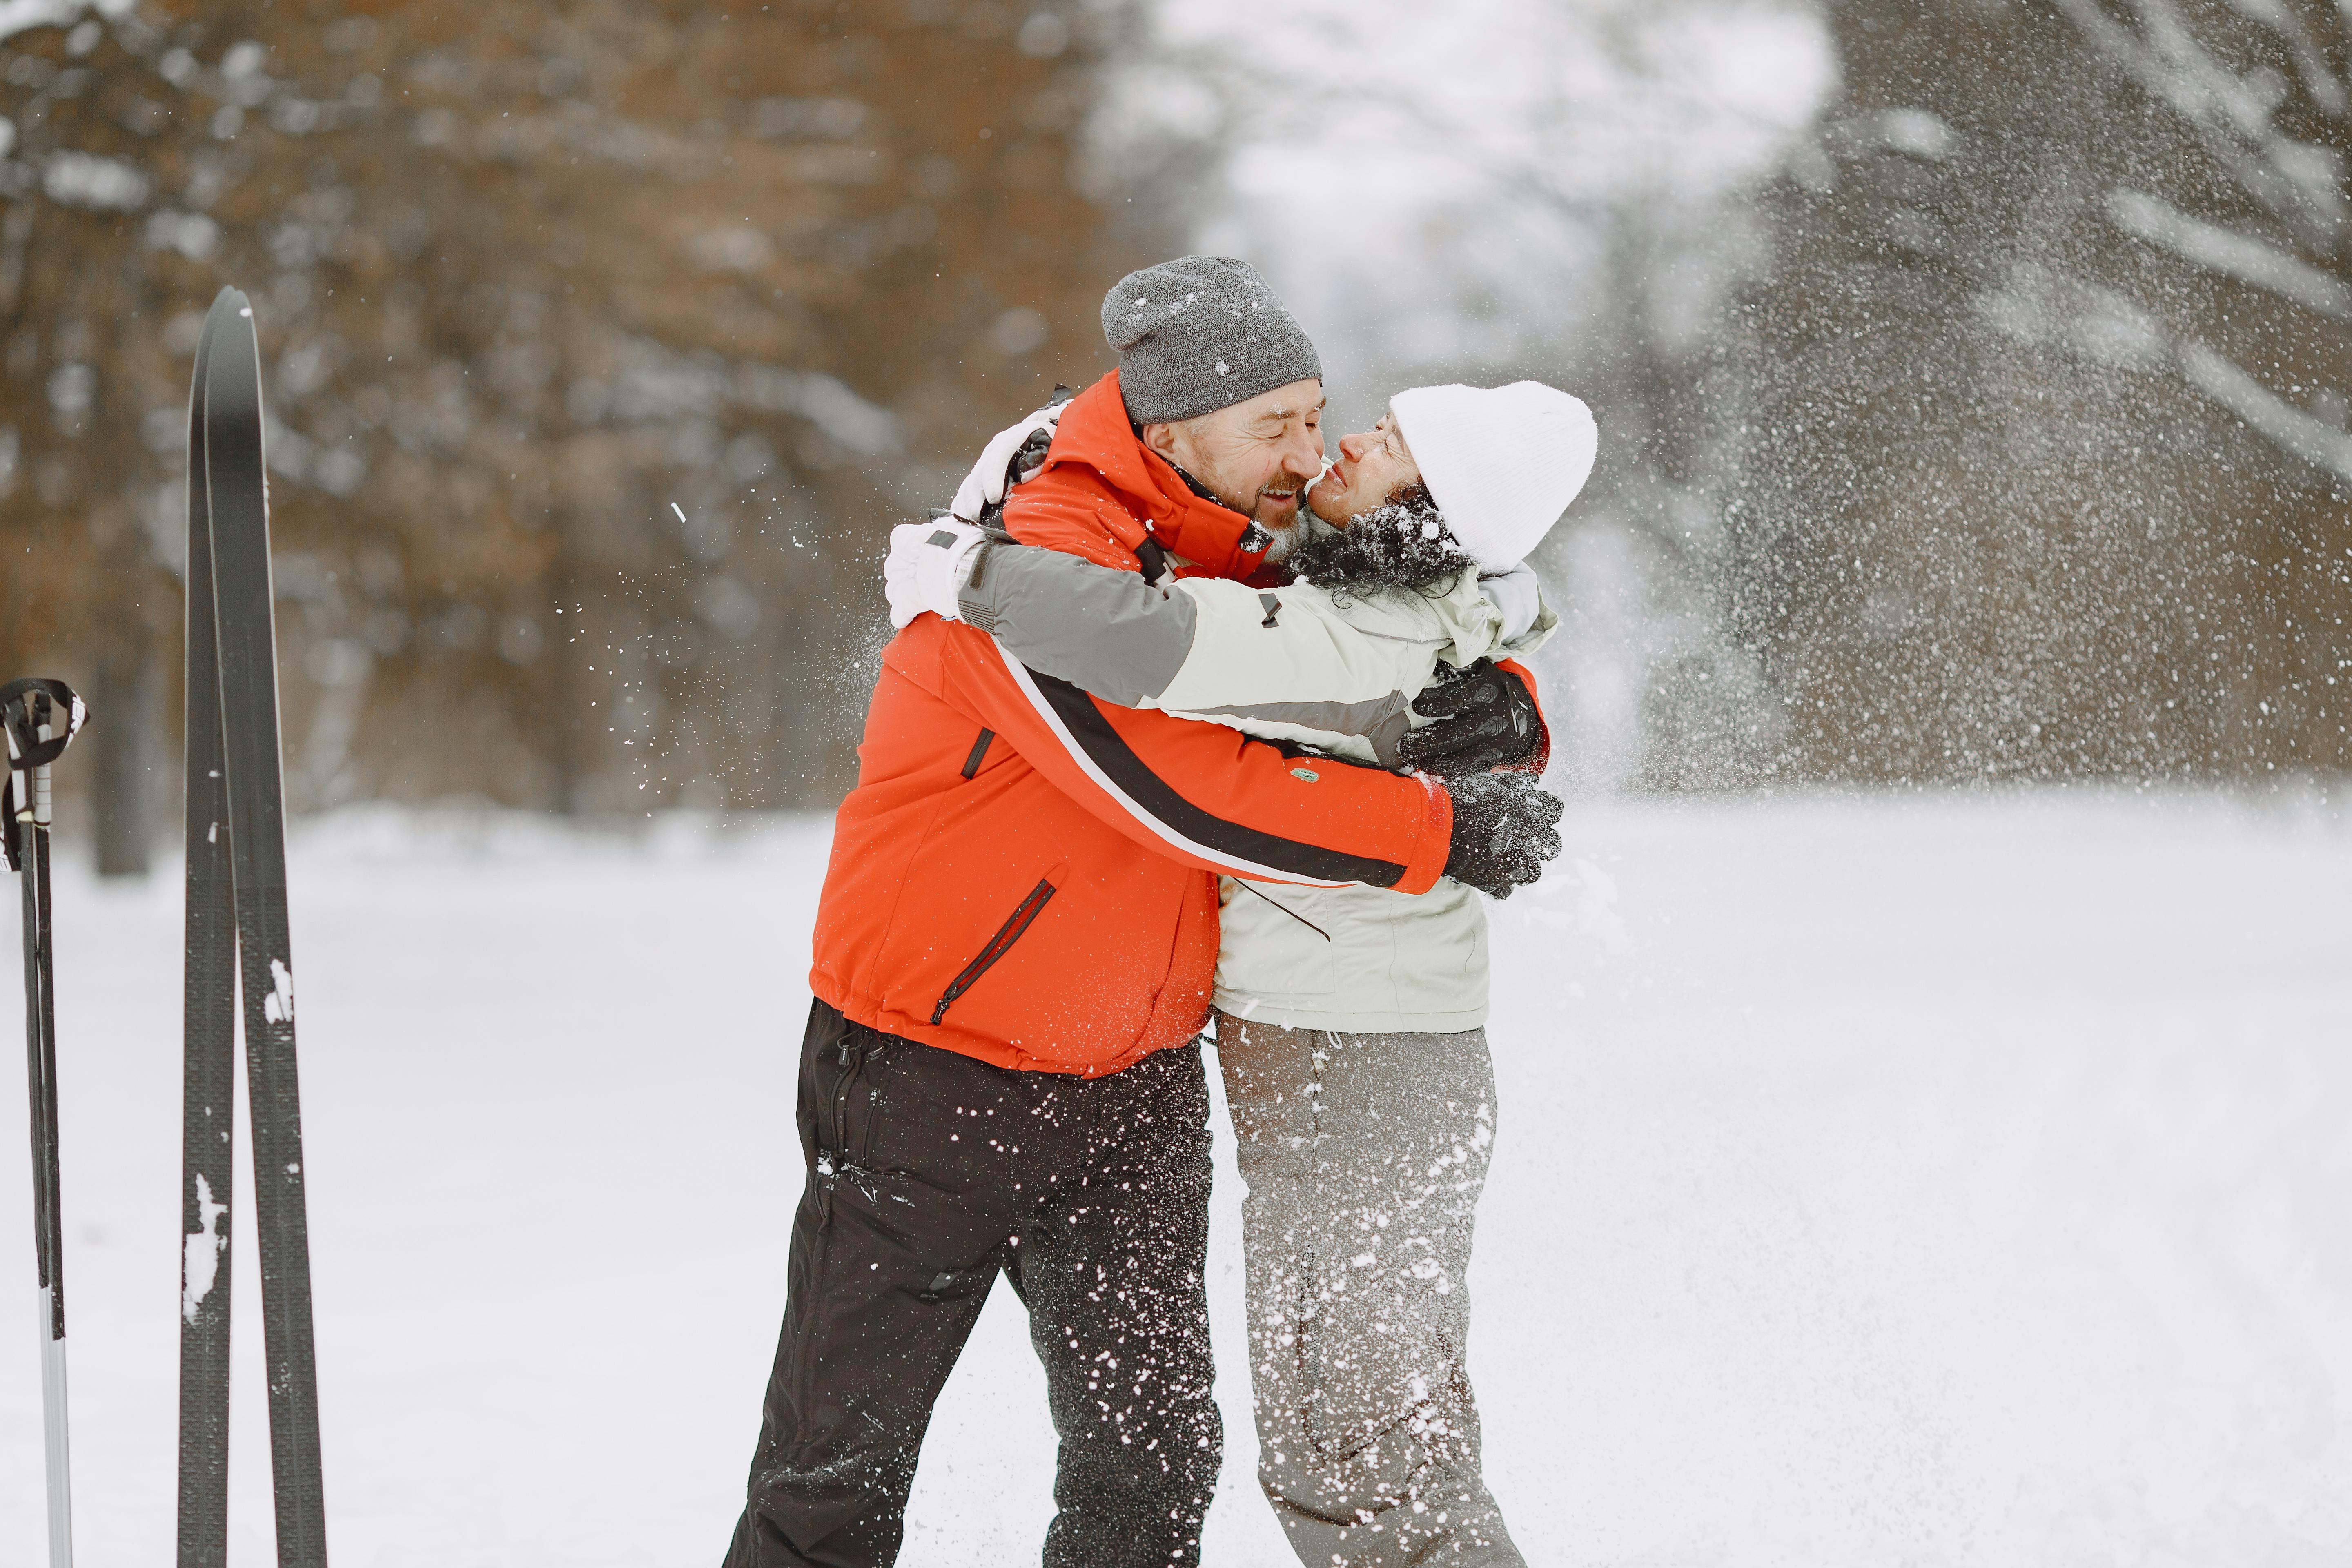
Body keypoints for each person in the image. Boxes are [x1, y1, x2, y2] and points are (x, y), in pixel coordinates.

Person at [722, 256, 1566, 1568]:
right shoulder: (1037, 562)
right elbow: (1173, 790)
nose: (1313, 448)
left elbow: (1422, 594)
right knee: (837, 1469)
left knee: (1150, 1467)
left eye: (1317, 410)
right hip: (928, 1069)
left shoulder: (1255, 521)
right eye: (1274, 424)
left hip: (1136, 1082)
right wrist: (1442, 830)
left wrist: (1511, 705)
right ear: (1171, 434)